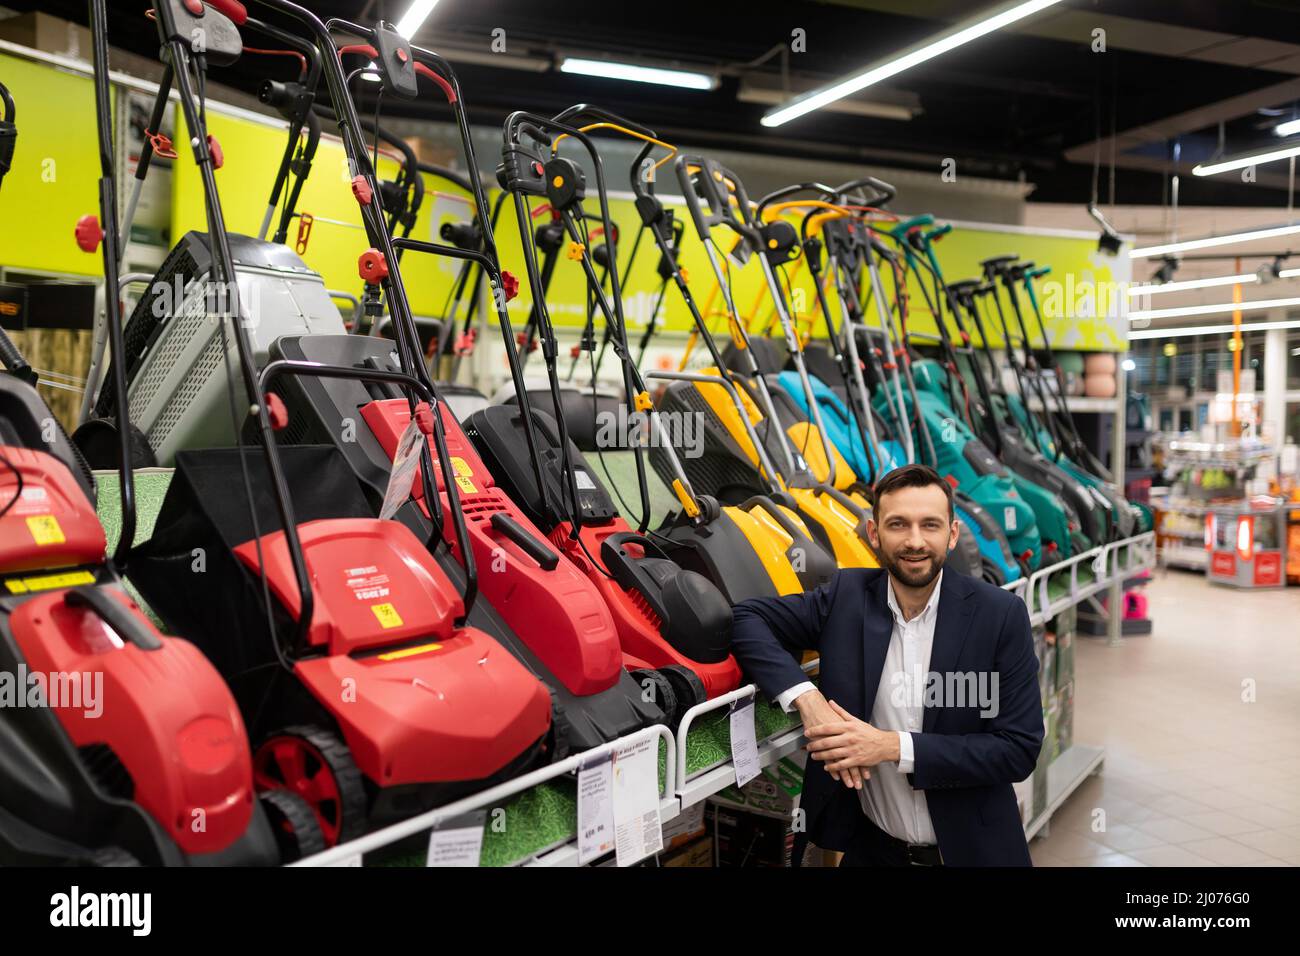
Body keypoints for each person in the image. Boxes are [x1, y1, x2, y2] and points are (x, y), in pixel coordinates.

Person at [730, 464, 1043, 866]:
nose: (915, 541)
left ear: (952, 535)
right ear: (874, 534)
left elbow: (1018, 749)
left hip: (973, 852)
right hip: (876, 852)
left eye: (930, 525)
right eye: (898, 525)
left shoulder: (999, 616)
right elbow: (748, 619)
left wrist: (892, 746)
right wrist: (808, 700)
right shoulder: (847, 598)